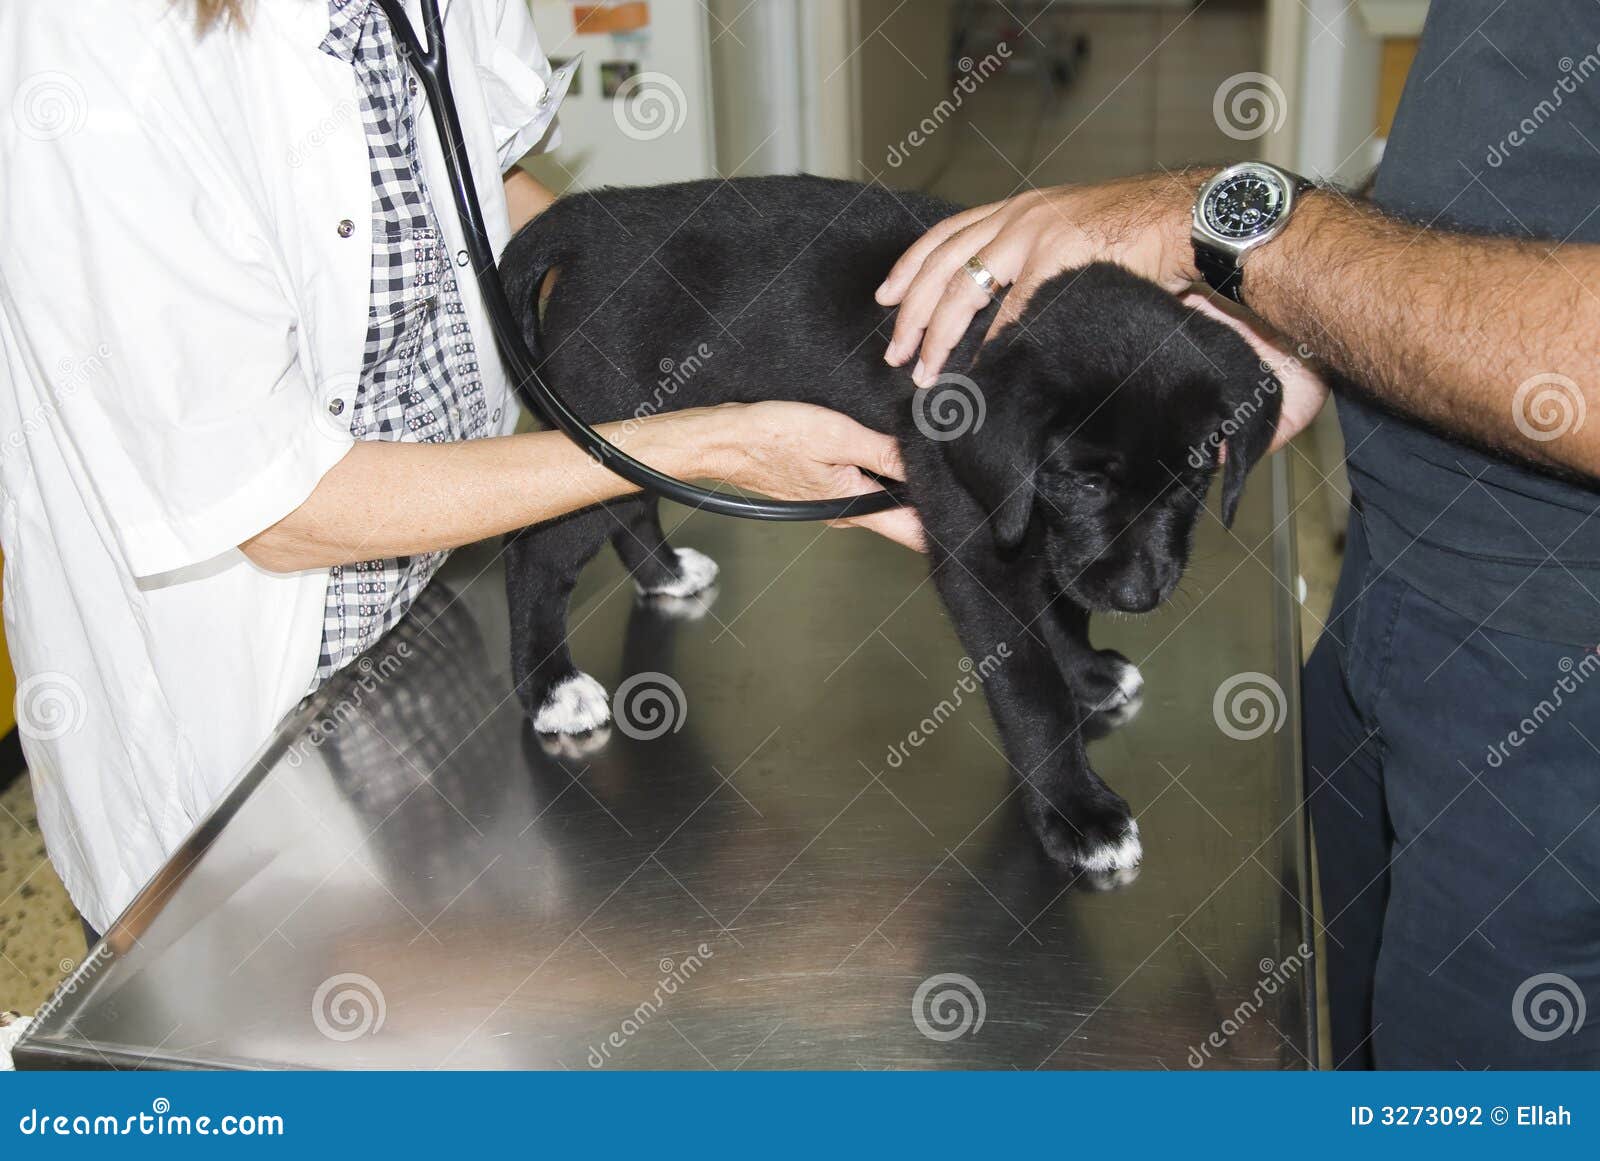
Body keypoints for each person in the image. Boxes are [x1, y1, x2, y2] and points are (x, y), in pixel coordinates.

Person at [0, 0, 920, 942]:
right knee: (275, 1019)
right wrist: (707, 440)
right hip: (242, 712)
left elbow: (483, 178)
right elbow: (276, 510)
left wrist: (697, 318)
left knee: (495, 981)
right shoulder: (92, 41)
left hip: (444, 604)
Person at [879, 2, 1600, 1069]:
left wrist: (1229, 228)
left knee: (1471, 1095)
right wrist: (1339, 322)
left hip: (1553, 685)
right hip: (1408, 575)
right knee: (1331, 1018)